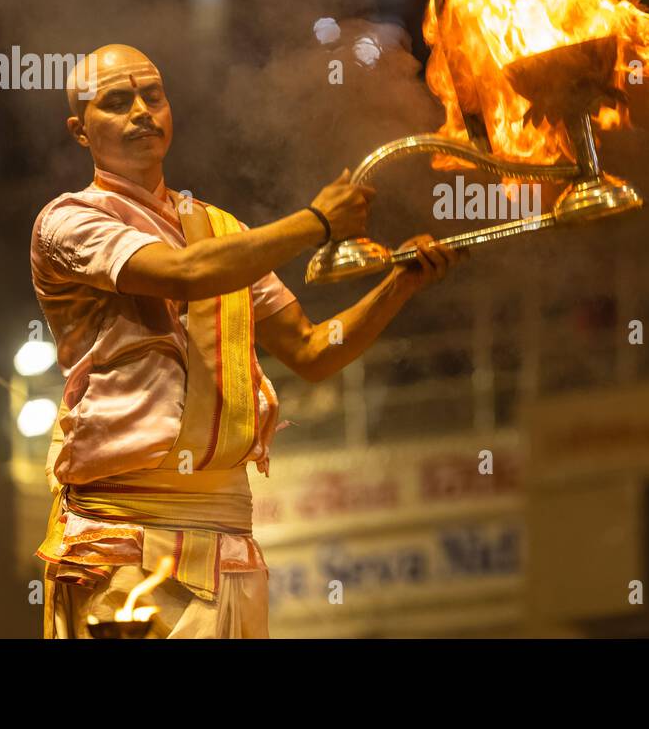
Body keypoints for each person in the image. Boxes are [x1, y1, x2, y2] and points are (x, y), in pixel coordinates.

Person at [31, 44, 461, 638]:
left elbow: (313, 351)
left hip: (229, 541)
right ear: (80, 131)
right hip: (125, 539)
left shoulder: (224, 234)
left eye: (152, 96)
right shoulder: (68, 220)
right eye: (116, 101)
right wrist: (316, 222)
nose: (141, 113)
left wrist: (401, 283)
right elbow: (187, 274)